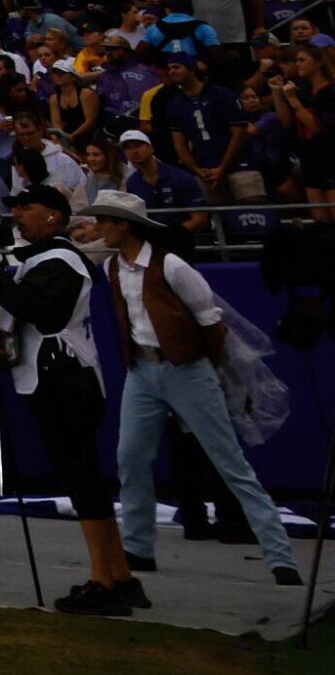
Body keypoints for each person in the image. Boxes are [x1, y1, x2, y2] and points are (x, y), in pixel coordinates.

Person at [91, 190, 302, 586]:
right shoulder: (113, 269)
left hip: (186, 369)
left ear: (123, 225)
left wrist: (210, 372)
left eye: (103, 220)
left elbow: (212, 324)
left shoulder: (171, 267)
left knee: (230, 462)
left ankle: (280, 556)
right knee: (131, 458)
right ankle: (138, 547)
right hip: (142, 369)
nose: (98, 227)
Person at [0, 177, 137, 614]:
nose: (16, 214)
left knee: (81, 475)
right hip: (57, 373)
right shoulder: (45, 258)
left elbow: (35, 309)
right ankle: (120, 575)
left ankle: (102, 581)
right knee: (82, 475)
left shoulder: (62, 258)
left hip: (66, 376)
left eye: (25, 207)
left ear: (52, 216)